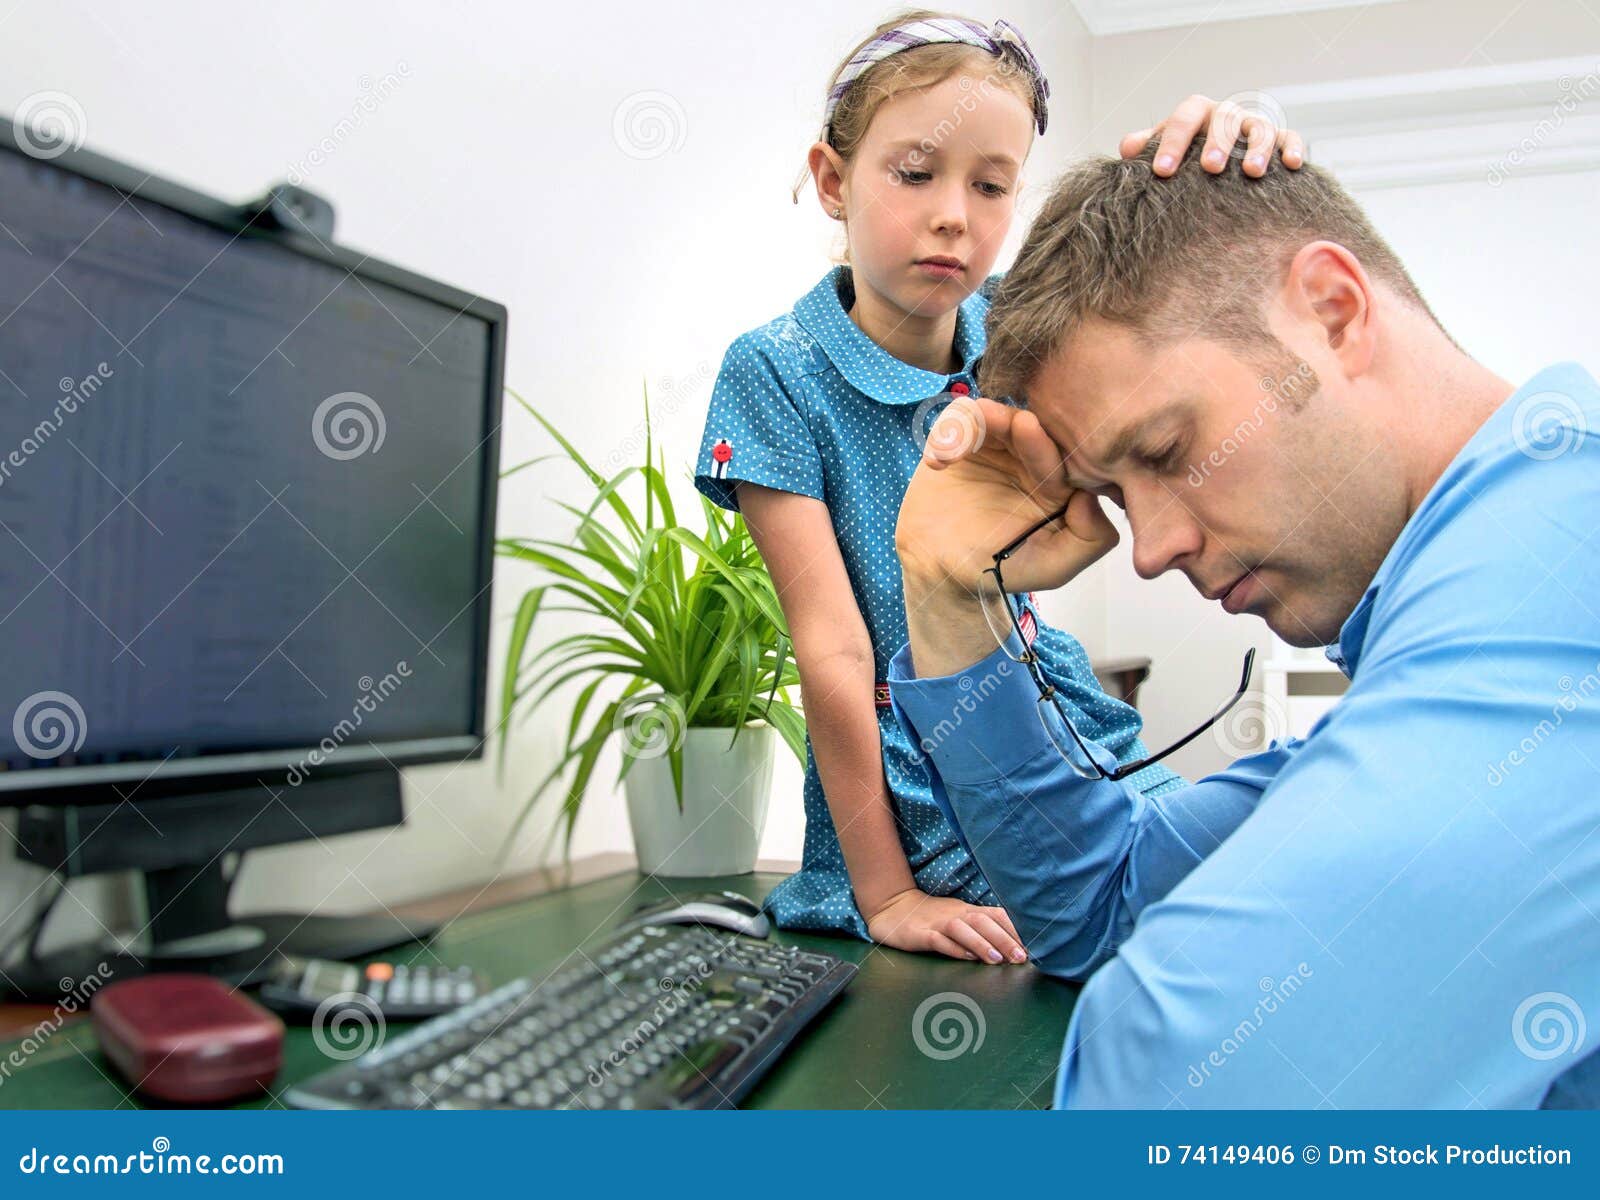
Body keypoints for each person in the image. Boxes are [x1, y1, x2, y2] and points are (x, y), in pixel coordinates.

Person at [888, 135, 1600, 1107]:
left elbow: (1172, 1079)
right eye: (1112, 492)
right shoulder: (1438, 619)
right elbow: (1103, 904)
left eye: (1168, 448)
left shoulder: (1564, 566)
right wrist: (947, 596)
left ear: (1333, 313)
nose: (1149, 549)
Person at [693, 9, 1306, 961]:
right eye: (915, 173)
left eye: (991, 187)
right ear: (831, 181)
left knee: (1248, 882)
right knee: (1146, 935)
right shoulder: (777, 370)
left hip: (1053, 713)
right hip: (914, 776)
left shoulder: (1013, 323)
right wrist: (889, 896)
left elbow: (1161, 306)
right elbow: (836, 653)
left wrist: (1239, 170)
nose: (956, 216)